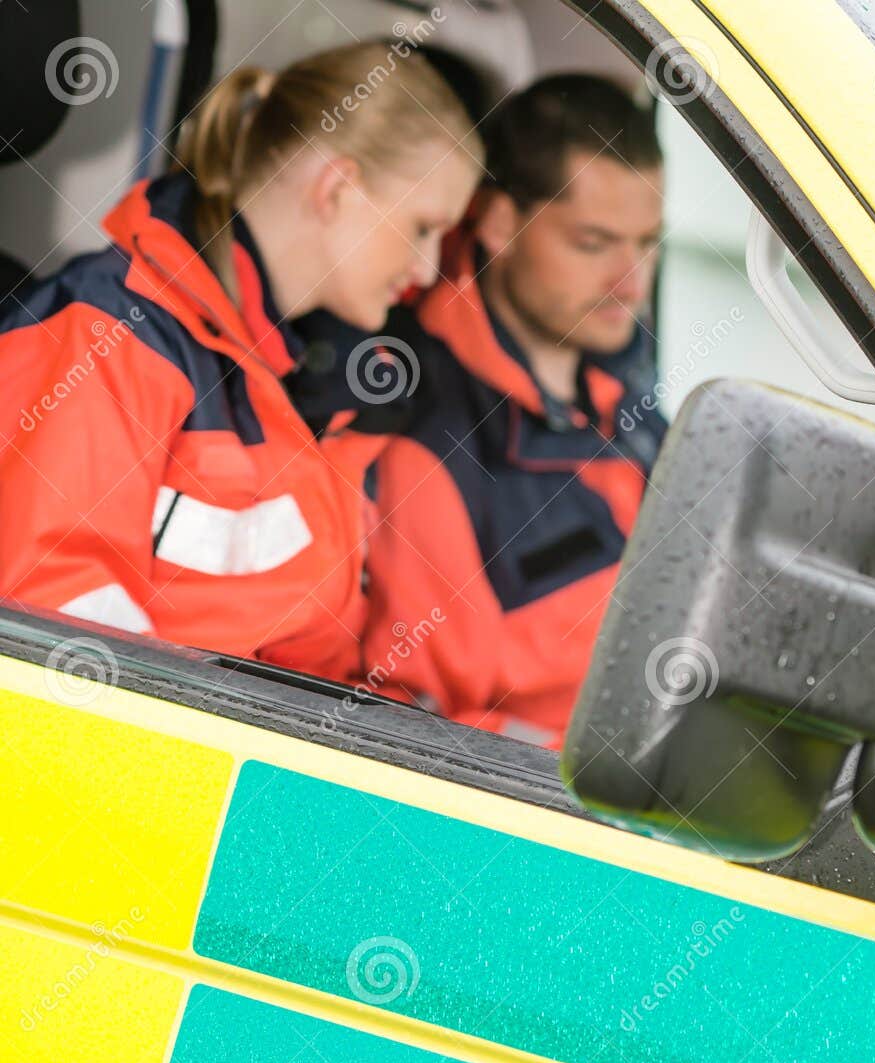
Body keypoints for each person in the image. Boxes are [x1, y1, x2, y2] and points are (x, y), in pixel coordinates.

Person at [0, 45, 481, 677]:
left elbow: (311, 655)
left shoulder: (298, 382)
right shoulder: (107, 334)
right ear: (337, 189)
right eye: (423, 228)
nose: (425, 269)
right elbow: (51, 628)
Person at [319, 73, 667, 745]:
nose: (631, 282)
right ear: (502, 223)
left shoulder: (625, 399)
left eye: (647, 243)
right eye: (593, 244)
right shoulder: (421, 438)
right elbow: (427, 732)